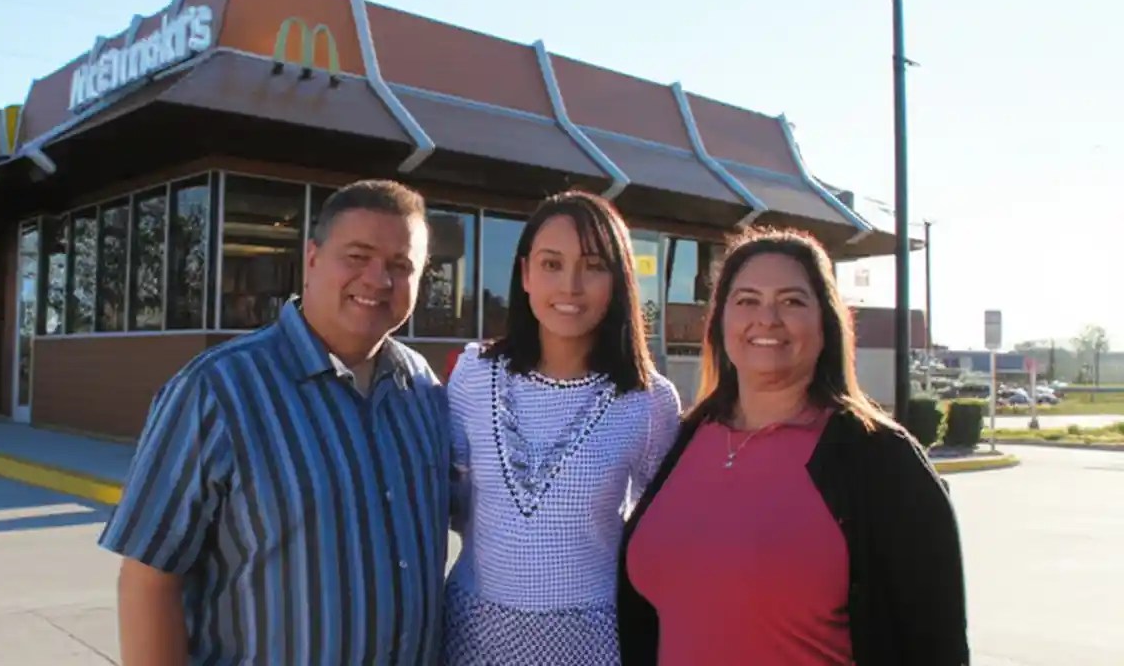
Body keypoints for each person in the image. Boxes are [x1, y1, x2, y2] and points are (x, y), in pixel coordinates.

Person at [98, 180, 451, 666]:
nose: (378, 279)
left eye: (400, 265)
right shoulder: (217, 391)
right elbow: (148, 578)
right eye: (357, 256)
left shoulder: (424, 389)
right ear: (312, 259)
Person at [618, 226, 969, 665]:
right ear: (721, 321)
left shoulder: (880, 459)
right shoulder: (683, 439)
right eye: (747, 300)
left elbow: (936, 645)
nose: (767, 318)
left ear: (826, 323)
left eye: (792, 301)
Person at [443, 190, 681, 666]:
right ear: (525, 274)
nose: (570, 286)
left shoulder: (649, 402)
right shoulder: (473, 375)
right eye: (552, 264)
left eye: (593, 266)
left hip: (590, 640)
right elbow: (454, 501)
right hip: (473, 633)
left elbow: (664, 537)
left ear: (618, 280)